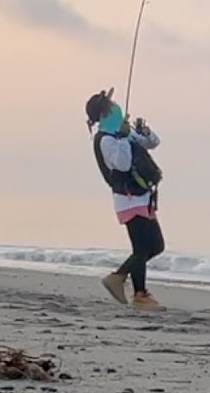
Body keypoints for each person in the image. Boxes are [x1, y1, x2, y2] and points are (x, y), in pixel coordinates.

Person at [86, 88, 166, 312]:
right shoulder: (106, 140)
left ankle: (118, 277)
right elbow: (120, 164)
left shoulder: (121, 133)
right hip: (128, 200)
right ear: (103, 115)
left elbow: (151, 143)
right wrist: (121, 138)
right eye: (111, 107)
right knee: (141, 248)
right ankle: (140, 295)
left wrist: (143, 131)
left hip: (142, 197)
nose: (116, 109)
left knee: (156, 246)